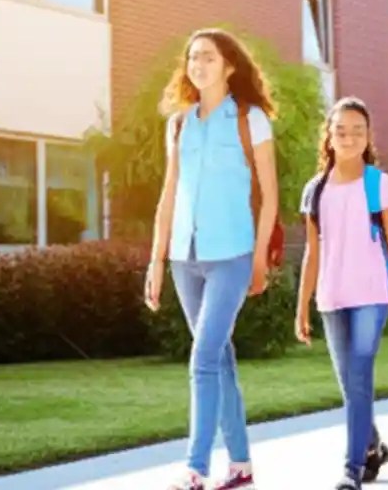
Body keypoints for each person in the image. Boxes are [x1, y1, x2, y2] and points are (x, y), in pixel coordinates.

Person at [144, 28, 280, 490]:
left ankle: (195, 468)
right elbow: (169, 194)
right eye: (192, 58)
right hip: (185, 255)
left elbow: (271, 198)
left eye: (207, 57)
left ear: (229, 66)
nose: (197, 65)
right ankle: (240, 465)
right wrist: (156, 259)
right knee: (220, 360)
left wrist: (259, 259)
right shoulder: (179, 124)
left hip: (232, 254)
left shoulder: (250, 119)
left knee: (202, 359)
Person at [295, 97, 388, 489]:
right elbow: (312, 255)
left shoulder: (378, 184)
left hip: (371, 294)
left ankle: (350, 470)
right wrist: (301, 307)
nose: (349, 137)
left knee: (360, 376)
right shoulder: (315, 190)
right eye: (340, 130)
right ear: (328, 138)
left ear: (368, 137)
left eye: (357, 130)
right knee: (349, 384)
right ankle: (373, 446)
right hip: (332, 296)